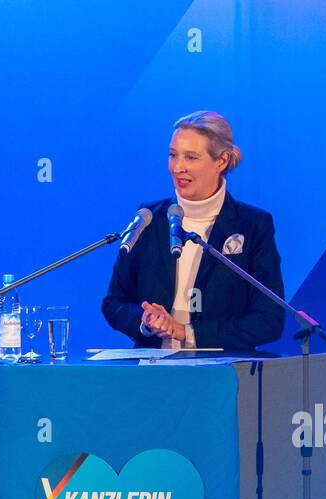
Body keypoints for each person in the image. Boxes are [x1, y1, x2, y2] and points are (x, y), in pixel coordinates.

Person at [101, 110, 286, 351]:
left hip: (220, 376)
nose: (178, 168)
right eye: (173, 155)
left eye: (191, 157)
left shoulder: (252, 225)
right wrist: (145, 321)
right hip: (152, 372)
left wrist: (187, 333)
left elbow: (268, 319)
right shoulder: (148, 218)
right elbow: (115, 302)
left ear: (221, 161)